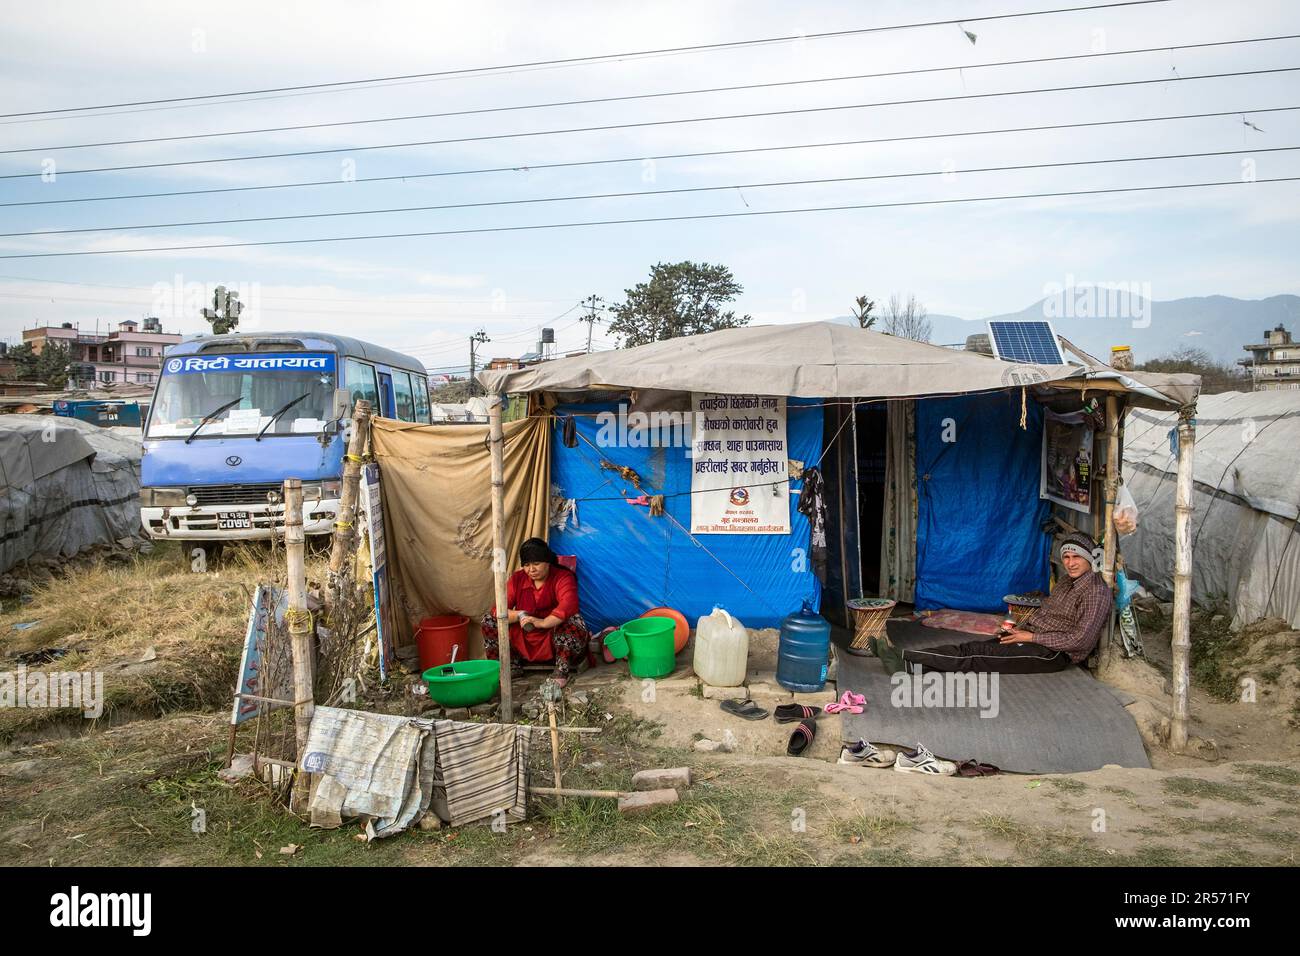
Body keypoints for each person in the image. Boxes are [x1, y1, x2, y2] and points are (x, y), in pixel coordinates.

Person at [872, 532, 1113, 674]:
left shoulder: (1095, 592)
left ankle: (903, 657)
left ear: (1089, 559)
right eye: (1067, 557)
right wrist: (1021, 629)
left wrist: (1030, 637)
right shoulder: (1066, 582)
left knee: (978, 658)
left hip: (1053, 653)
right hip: (1032, 637)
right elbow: (1048, 613)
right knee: (971, 649)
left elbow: (1081, 640)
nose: (1070, 563)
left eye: (1076, 558)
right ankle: (905, 662)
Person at [481, 538, 590, 686]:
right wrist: (520, 614)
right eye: (526, 565)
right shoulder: (517, 579)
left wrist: (543, 622)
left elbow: (568, 604)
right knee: (489, 620)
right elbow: (498, 609)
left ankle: (561, 668)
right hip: (525, 638)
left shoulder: (562, 577)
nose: (531, 569)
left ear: (547, 562)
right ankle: (510, 666)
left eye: (536, 564)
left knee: (574, 621)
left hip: (553, 637)